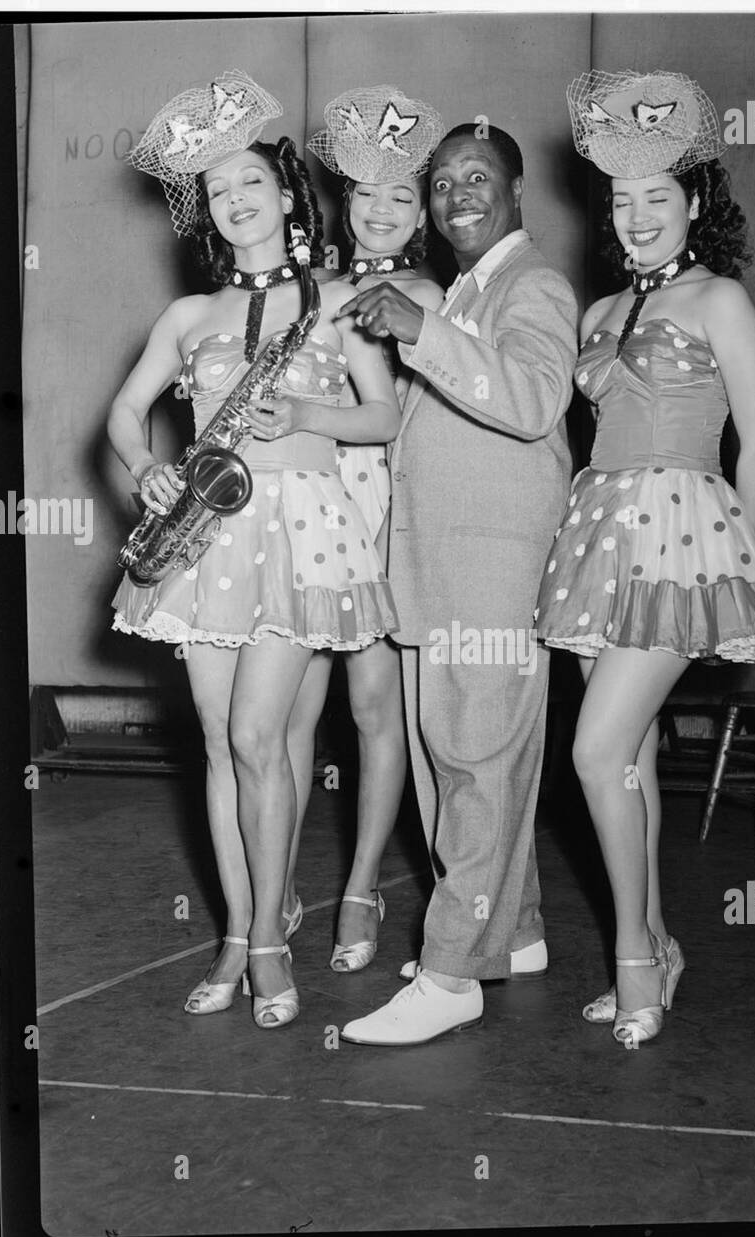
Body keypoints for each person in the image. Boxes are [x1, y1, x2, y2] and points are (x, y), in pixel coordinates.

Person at [109, 72, 401, 1027]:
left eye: (252, 184)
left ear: (284, 193)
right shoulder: (188, 319)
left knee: (254, 734)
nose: (237, 202)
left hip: (303, 532)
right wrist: (144, 467)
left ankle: (272, 941)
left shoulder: (344, 299)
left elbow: (384, 413)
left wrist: (309, 410)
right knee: (217, 744)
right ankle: (238, 932)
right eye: (219, 191)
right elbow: (123, 413)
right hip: (207, 536)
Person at [535, 69, 755, 1047]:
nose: (638, 218)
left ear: (694, 204)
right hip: (597, 538)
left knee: (594, 751)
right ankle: (655, 948)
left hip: (682, 540)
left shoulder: (721, 299)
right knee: (626, 759)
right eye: (623, 201)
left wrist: (731, 560)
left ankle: (637, 962)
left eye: (658, 198)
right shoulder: (598, 315)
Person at [337, 122, 579, 1045]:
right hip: (438, 564)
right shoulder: (471, 286)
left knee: (476, 763)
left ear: (519, 193)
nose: (455, 195)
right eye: (440, 183)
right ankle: (509, 934)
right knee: (457, 763)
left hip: (491, 566)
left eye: (478, 177)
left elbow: (528, 402)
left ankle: (450, 978)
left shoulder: (535, 285)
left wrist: (418, 325)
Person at [301, 86, 446, 973]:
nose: (382, 212)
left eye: (402, 196)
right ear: (345, 203)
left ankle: (362, 885)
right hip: (308, 505)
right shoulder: (311, 290)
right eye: (367, 195)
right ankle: (272, 885)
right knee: (286, 710)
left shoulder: (429, 292)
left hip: (388, 510)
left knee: (371, 707)